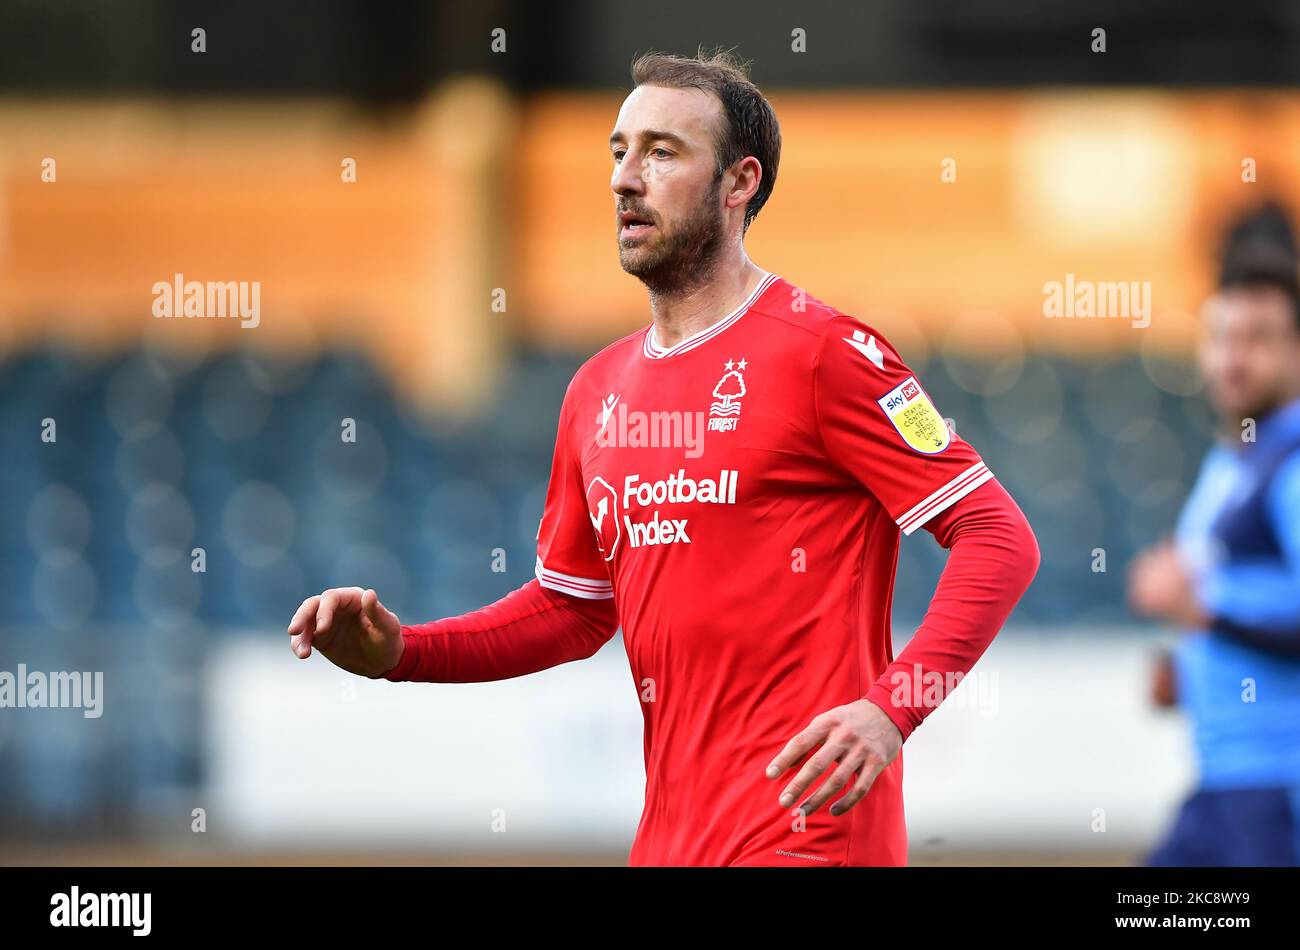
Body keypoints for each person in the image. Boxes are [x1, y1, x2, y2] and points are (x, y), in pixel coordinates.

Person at [287, 49, 1039, 866]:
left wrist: (893, 709)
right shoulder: (596, 391)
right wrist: (403, 653)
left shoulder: (826, 353)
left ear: (739, 182)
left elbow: (998, 536)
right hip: (672, 843)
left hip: (807, 834)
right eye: (619, 151)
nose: (624, 179)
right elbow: (572, 608)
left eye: (661, 152)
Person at [1131, 203, 1300, 866]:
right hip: (1225, 783)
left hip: (1275, 786)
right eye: (1222, 337)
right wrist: (1190, 668)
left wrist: (1202, 616)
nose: (1234, 358)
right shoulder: (1231, 463)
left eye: (1258, 339)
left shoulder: (1291, 464)